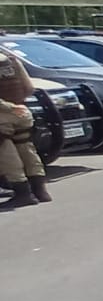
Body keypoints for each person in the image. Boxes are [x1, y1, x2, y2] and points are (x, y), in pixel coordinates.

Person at [0, 51, 51, 207]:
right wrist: (18, 105)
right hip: (23, 111)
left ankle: (23, 193)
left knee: (6, 154)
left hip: (4, 115)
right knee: (27, 150)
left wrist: (9, 107)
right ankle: (40, 191)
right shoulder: (11, 60)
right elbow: (29, 88)